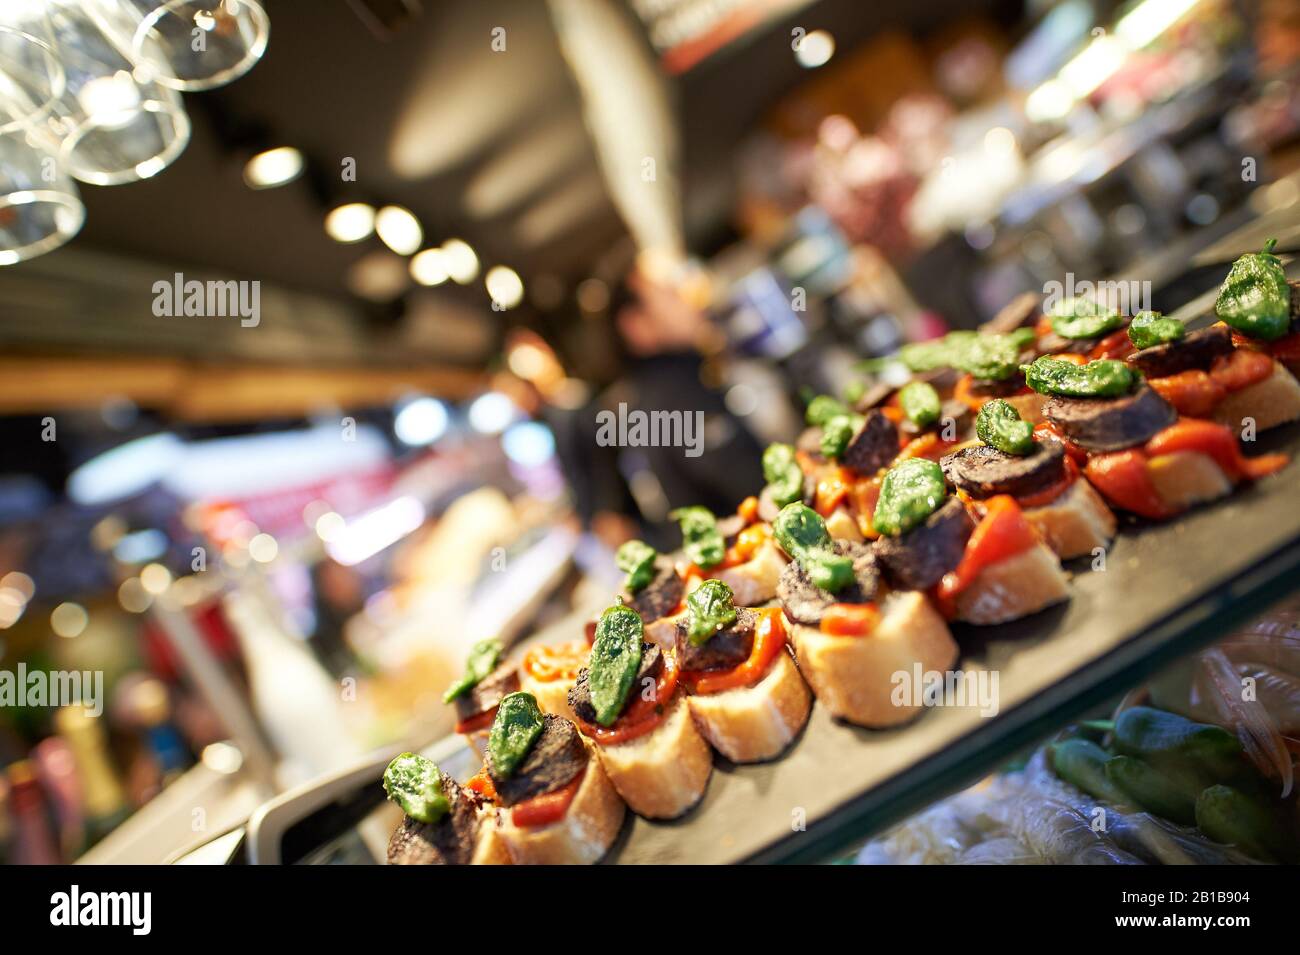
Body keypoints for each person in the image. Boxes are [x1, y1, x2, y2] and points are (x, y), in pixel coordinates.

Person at [553, 266, 765, 552]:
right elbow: (755, 489)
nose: (687, 299)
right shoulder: (677, 393)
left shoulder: (649, 393)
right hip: (753, 552)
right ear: (637, 326)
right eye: (669, 295)